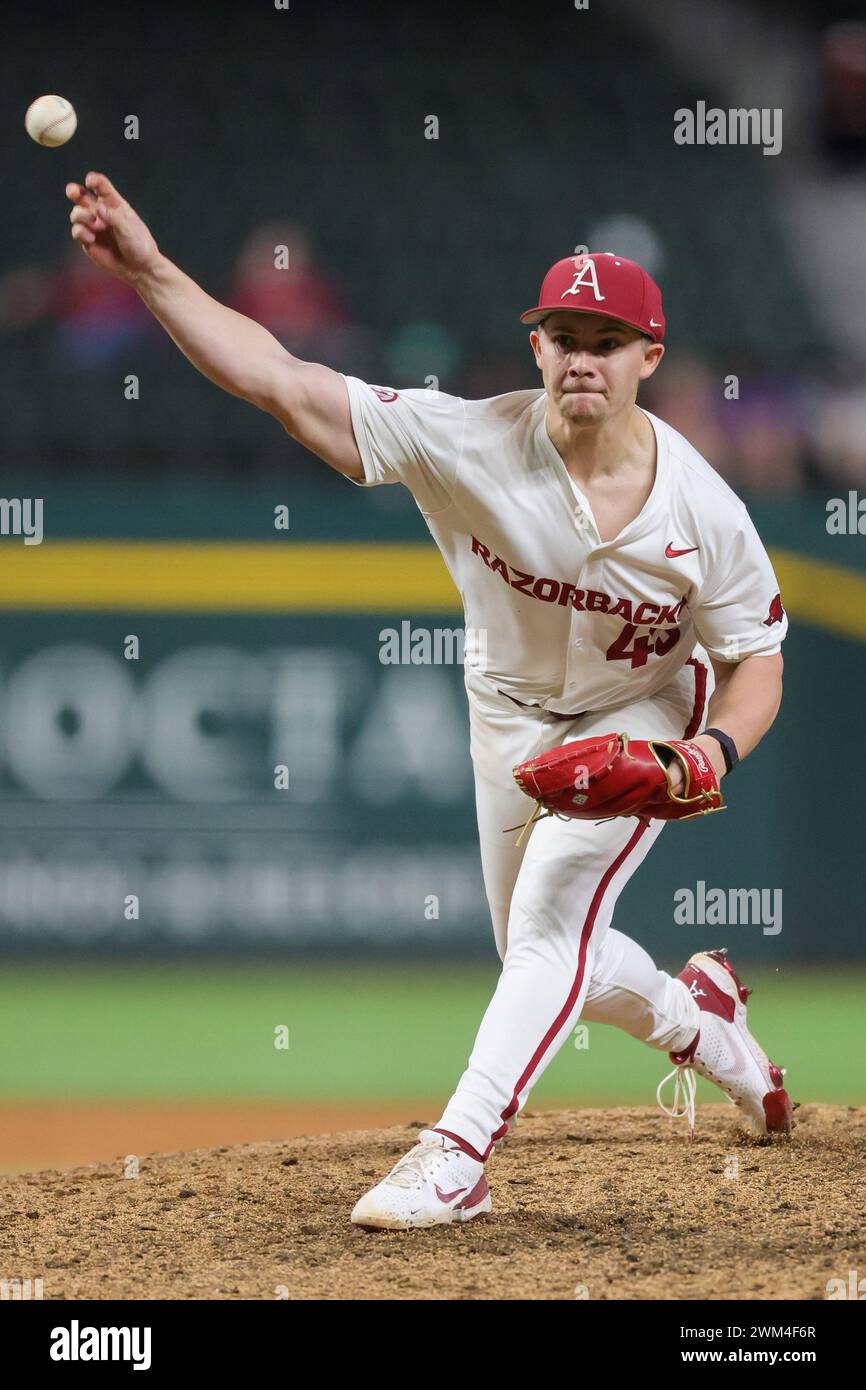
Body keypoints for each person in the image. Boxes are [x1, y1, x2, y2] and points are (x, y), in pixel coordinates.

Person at [66, 175, 791, 1232]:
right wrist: (150, 272)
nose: (581, 354)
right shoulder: (466, 440)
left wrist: (705, 756)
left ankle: (456, 1154)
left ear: (648, 357)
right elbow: (281, 379)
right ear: (534, 346)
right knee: (545, 955)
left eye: (607, 336)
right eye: (562, 333)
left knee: (551, 922)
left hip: (640, 713)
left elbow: (757, 660)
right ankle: (710, 1029)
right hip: (505, 713)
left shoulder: (705, 510)